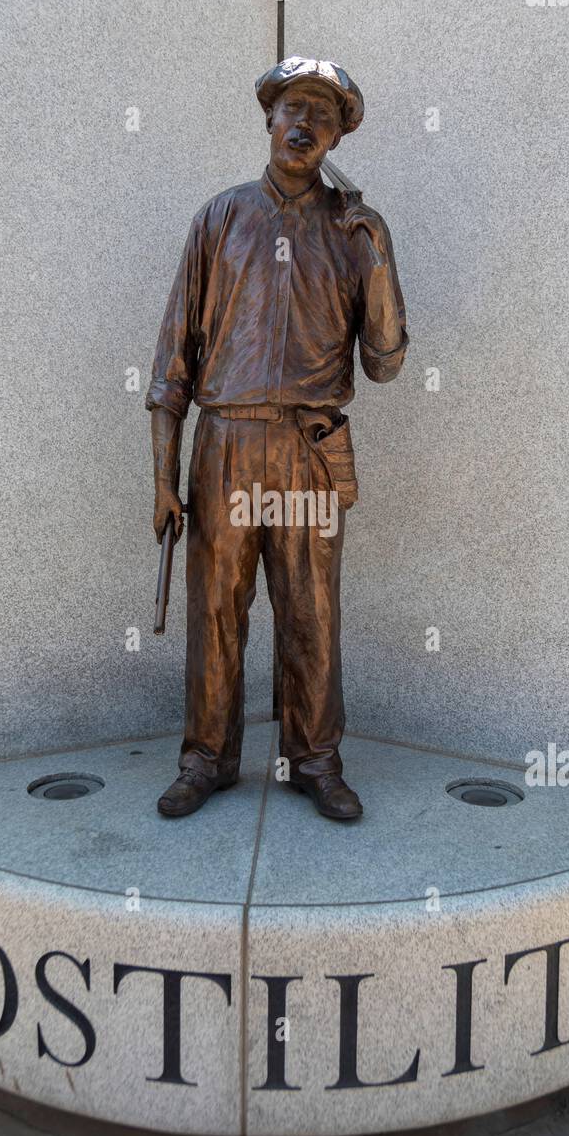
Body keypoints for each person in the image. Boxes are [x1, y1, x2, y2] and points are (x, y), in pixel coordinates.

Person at [146, 57, 408, 821]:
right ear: (268, 117)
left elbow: (386, 364)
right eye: (294, 108)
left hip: (310, 450)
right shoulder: (219, 218)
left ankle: (315, 760)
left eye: (322, 117)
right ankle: (206, 756)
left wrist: (379, 256)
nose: (304, 125)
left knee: (311, 611)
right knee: (216, 607)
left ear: (336, 136)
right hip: (224, 442)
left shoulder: (354, 229)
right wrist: (163, 478)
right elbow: (172, 363)